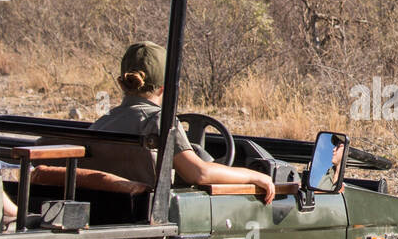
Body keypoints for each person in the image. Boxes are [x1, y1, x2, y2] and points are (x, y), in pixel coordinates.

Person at [92, 41, 275, 203]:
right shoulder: (159, 122)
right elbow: (199, 173)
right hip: (144, 220)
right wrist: (255, 176)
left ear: (123, 82)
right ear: (164, 87)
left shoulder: (103, 121)